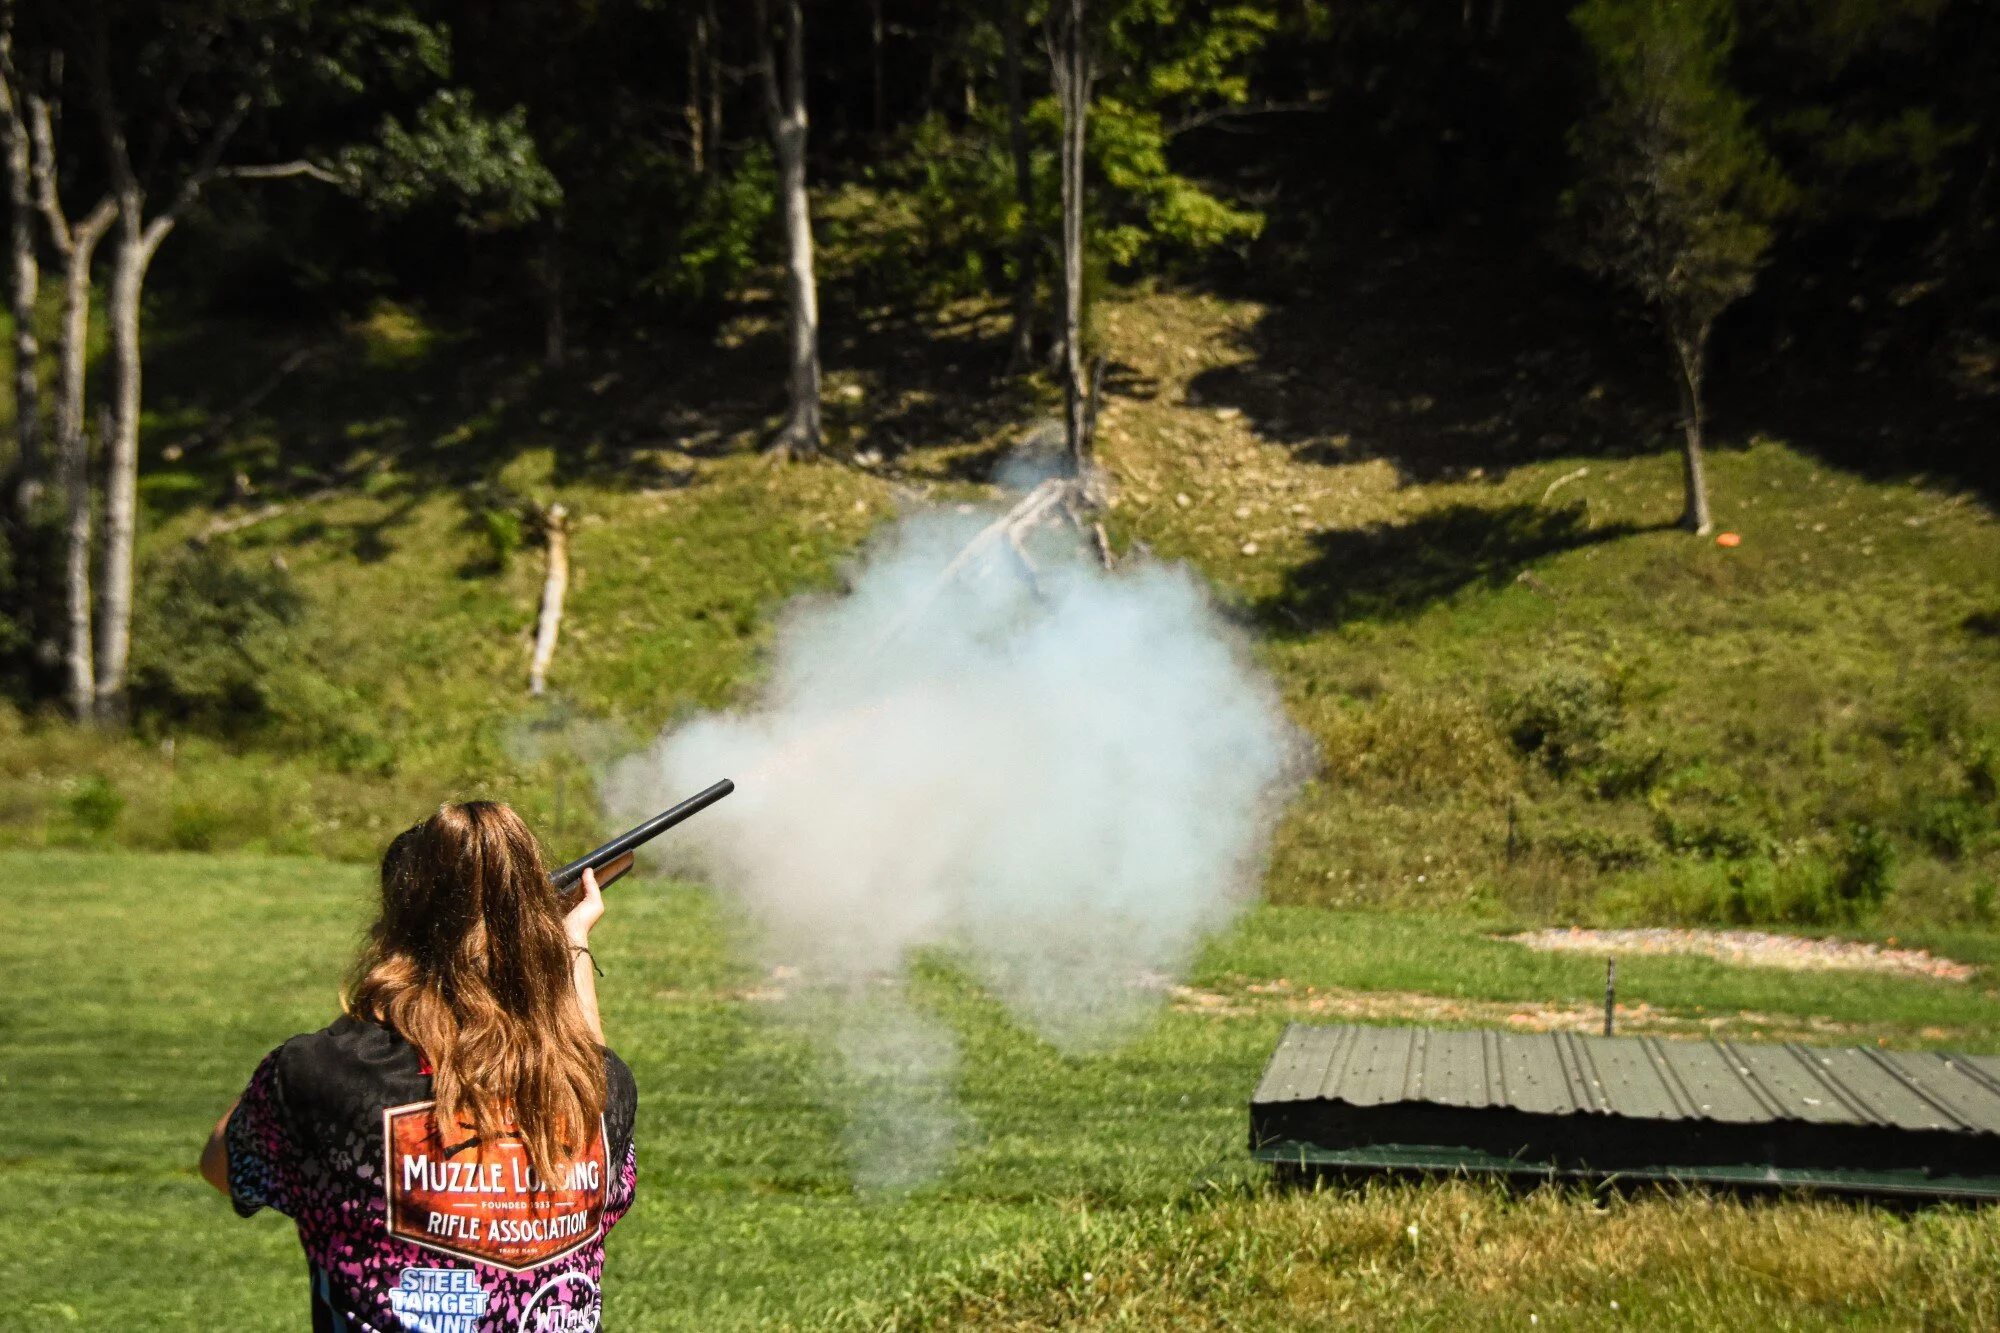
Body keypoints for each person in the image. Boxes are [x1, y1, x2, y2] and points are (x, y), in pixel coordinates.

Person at [199, 801, 637, 1333]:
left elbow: (223, 1165)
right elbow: (591, 1072)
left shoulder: (320, 1073)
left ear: (394, 922)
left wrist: (376, 999)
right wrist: (569, 943)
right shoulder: (604, 1090)